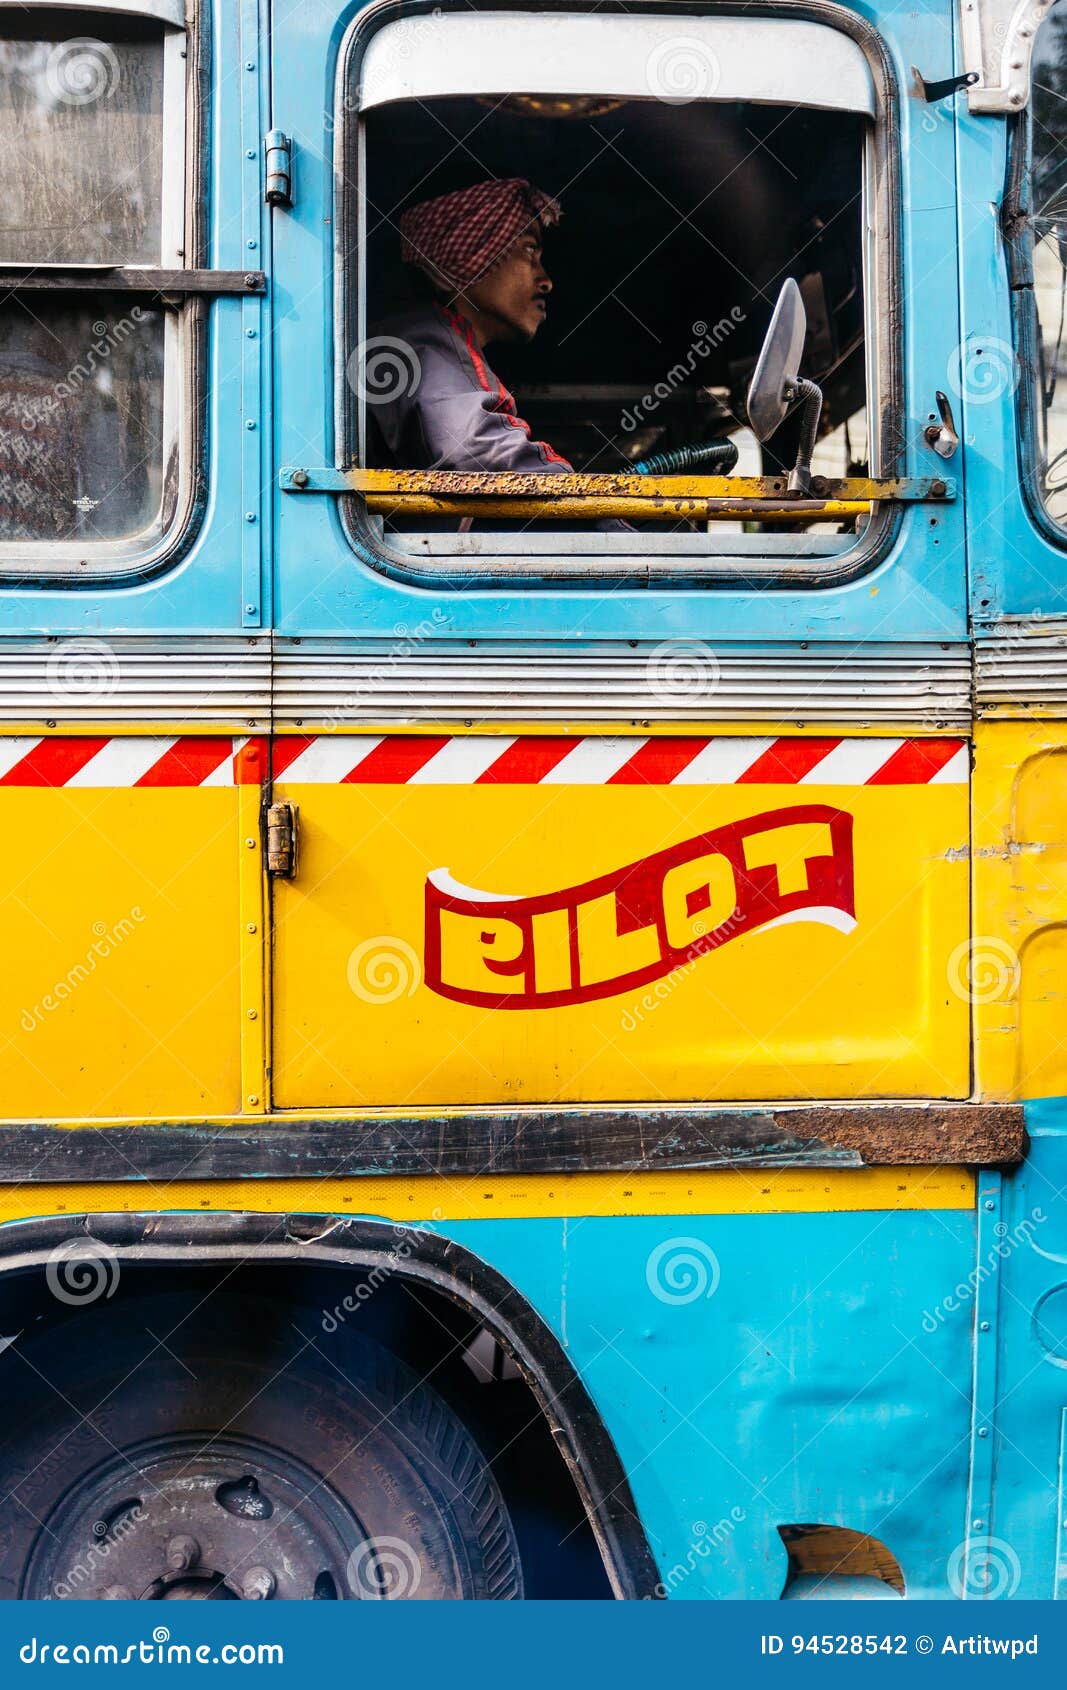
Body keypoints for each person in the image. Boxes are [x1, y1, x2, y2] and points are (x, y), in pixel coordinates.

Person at [367, 177, 578, 478]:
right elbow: (479, 451)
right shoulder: (422, 339)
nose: (546, 281)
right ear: (466, 252)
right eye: (529, 250)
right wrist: (601, 517)